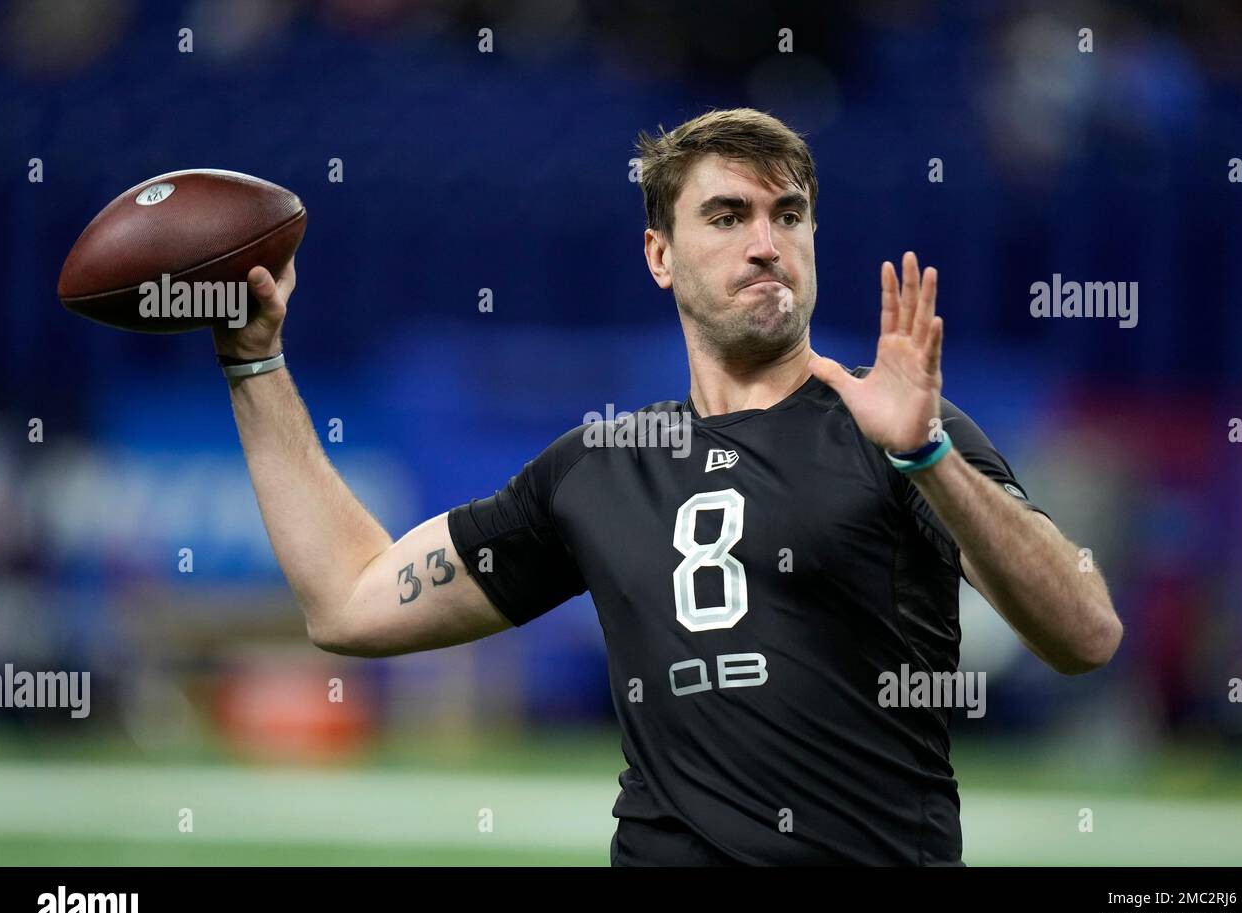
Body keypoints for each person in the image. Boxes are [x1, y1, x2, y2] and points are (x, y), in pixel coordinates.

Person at [213, 107, 1123, 865]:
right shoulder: (601, 465)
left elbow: (1086, 633)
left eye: (789, 214)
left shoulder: (897, 429)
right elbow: (350, 601)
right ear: (661, 256)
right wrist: (256, 364)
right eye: (727, 217)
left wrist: (926, 458)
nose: (766, 244)